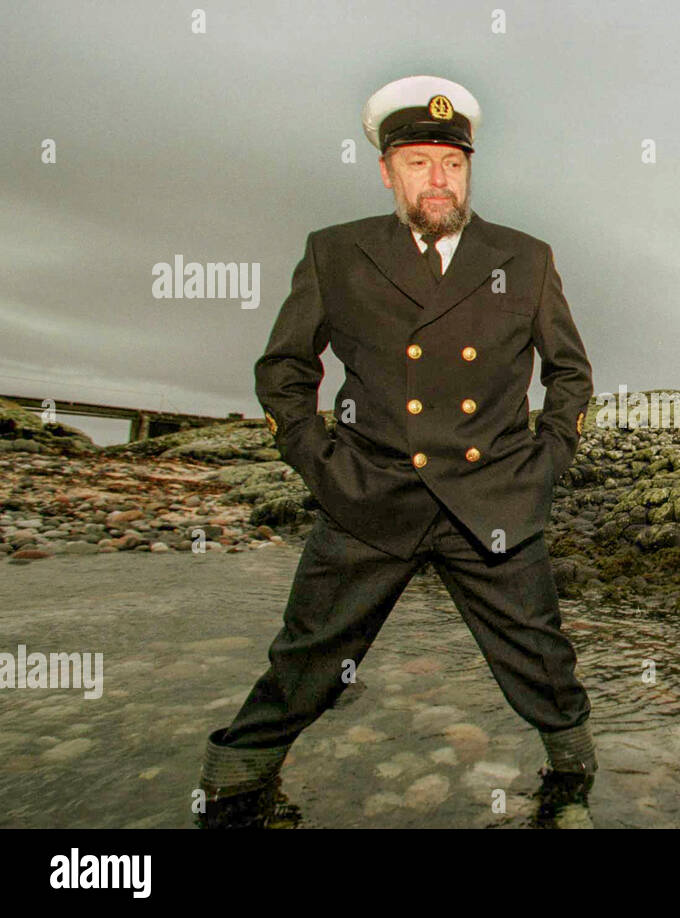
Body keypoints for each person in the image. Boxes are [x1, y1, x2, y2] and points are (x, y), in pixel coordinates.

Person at [197, 75, 597, 828]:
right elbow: (285, 370)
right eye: (418, 162)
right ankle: (233, 786)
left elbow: (569, 371)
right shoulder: (336, 252)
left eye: (452, 162)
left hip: (494, 498)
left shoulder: (527, 257)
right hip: (370, 493)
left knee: (541, 656)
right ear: (387, 170)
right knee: (309, 655)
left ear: (470, 168)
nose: (437, 178)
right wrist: (321, 462)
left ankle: (573, 778)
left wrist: (547, 460)